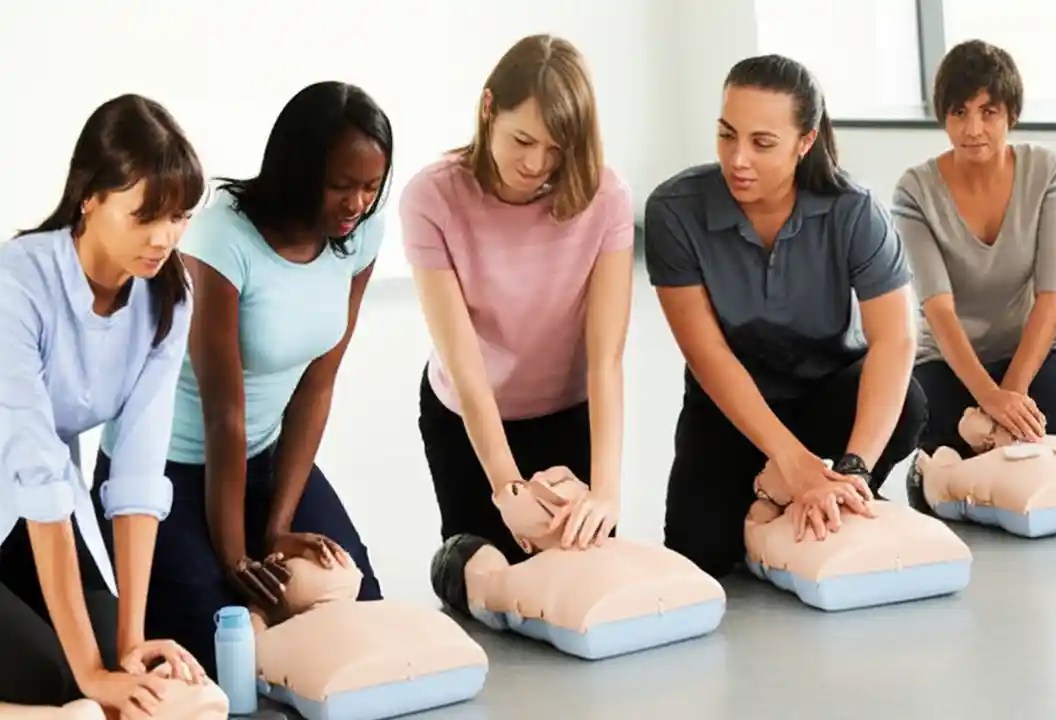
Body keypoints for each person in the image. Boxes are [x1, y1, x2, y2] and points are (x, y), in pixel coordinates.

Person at [92, 81, 393, 677]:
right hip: (167, 470)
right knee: (228, 649)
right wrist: (236, 555)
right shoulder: (221, 238)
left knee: (359, 605)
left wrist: (278, 527)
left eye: (370, 185)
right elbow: (221, 411)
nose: (357, 202)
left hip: (263, 457)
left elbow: (317, 384)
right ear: (298, 170)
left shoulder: (363, 233)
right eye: (340, 185)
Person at [644, 54, 927, 579]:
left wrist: (852, 466)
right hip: (732, 406)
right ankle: (776, 486)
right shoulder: (674, 210)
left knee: (907, 403)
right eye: (727, 135)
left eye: (762, 142)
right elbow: (707, 354)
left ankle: (839, 490)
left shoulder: (854, 209)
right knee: (698, 552)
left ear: (805, 141)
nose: (738, 159)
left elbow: (895, 341)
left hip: (825, 394)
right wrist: (792, 465)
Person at [0, 94, 205, 713]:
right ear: (90, 197)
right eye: (145, 215)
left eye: (180, 216)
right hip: (31, 500)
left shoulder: (167, 299)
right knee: (56, 680)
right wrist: (91, 674)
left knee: (122, 672)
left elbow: (138, 480)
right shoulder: (17, 283)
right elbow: (36, 476)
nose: (164, 238)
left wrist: (128, 648)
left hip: (42, 514)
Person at [403, 34, 634, 567]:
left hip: (566, 412)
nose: (537, 165)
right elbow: (464, 367)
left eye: (557, 149)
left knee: (580, 572)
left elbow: (605, 360)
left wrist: (606, 492)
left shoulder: (607, 196)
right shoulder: (431, 197)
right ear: (488, 108)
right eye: (523, 140)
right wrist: (507, 488)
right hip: (470, 418)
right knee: (489, 571)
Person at [892, 39, 1056, 460]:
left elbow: (1051, 297)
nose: (972, 129)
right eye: (959, 112)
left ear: (1011, 115)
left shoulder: (1044, 171)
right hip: (947, 361)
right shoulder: (915, 190)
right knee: (950, 456)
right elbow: (937, 311)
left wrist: (1011, 393)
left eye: (988, 112)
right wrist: (990, 399)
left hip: (1031, 351)